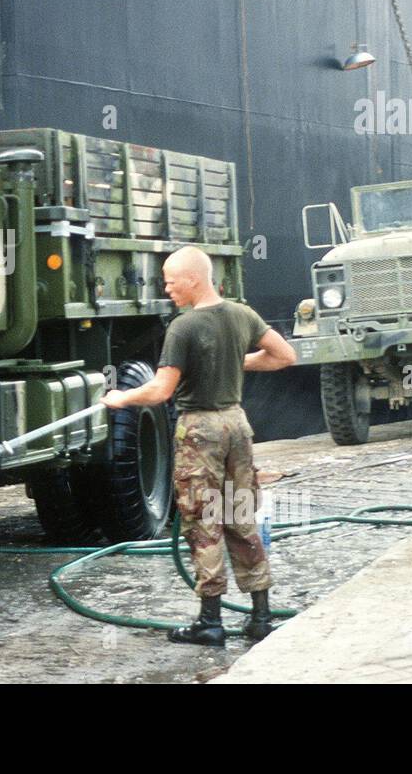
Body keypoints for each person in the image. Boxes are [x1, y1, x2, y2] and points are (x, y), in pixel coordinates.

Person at [103, 246, 296, 647]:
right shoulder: (243, 314)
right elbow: (284, 356)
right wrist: (230, 361)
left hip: (201, 430)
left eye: (172, 281)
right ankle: (261, 618)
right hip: (237, 425)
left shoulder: (184, 327)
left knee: (203, 524)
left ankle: (210, 622)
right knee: (241, 517)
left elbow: (160, 390)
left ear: (193, 279)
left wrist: (120, 399)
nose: (168, 288)